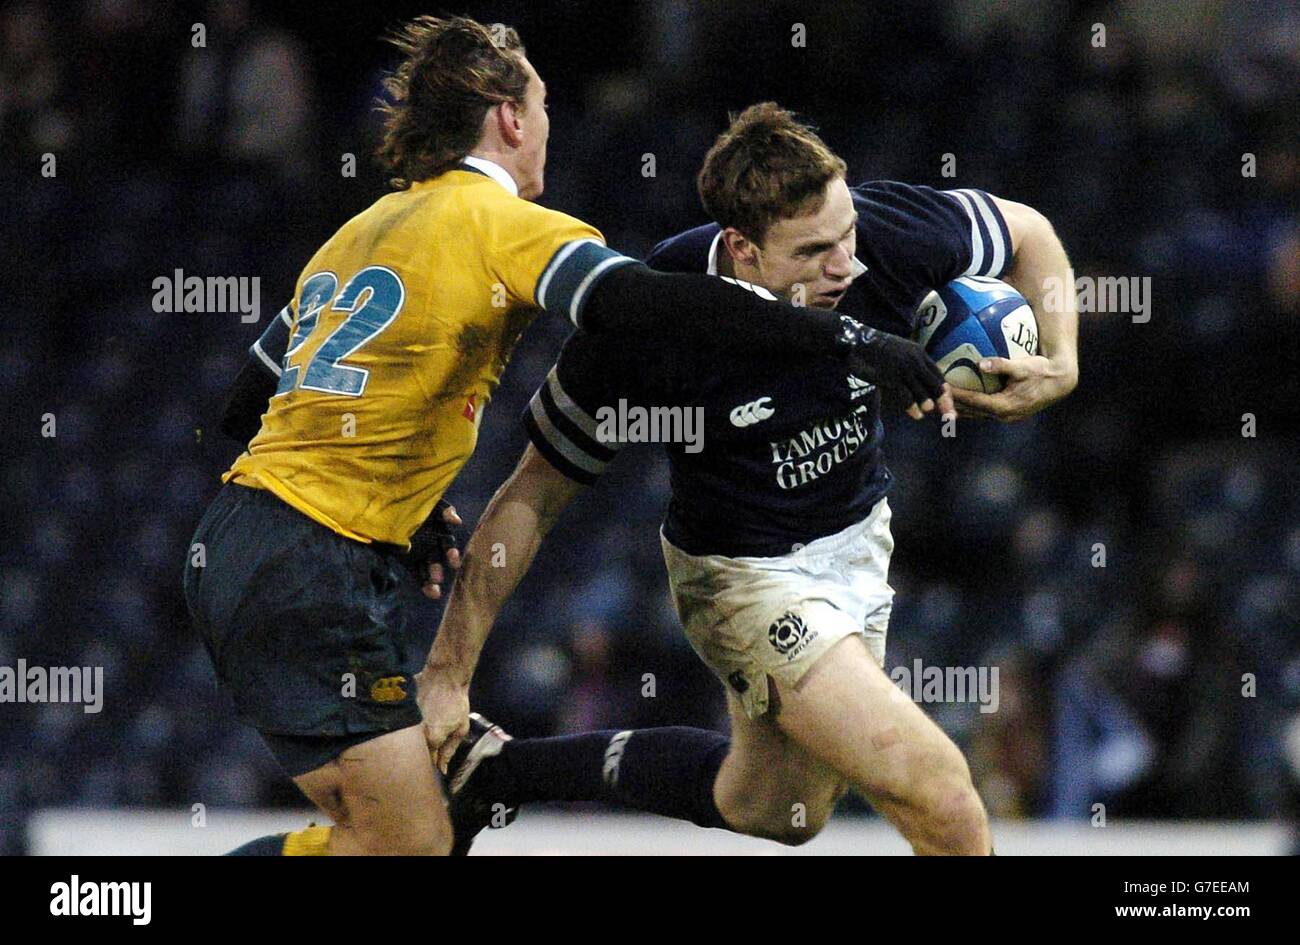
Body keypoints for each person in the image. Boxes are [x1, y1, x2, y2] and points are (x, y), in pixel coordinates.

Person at [189, 21, 945, 857]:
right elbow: (646, 302)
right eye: (543, 103)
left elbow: (248, 403)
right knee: (406, 843)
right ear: (509, 119)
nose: (550, 123)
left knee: (407, 839)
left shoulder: (359, 232)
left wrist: (403, 500)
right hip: (307, 563)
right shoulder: (501, 221)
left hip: (244, 538)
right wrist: (853, 340)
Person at [421, 103, 1078, 855]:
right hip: (743, 574)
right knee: (940, 793)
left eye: (847, 237)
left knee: (775, 805)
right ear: (741, 247)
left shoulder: (883, 235)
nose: (846, 267)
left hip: (859, 539)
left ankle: (496, 773)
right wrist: (446, 675)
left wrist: (1061, 363)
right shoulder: (649, 319)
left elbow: (1029, 232)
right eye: (812, 254)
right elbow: (531, 496)